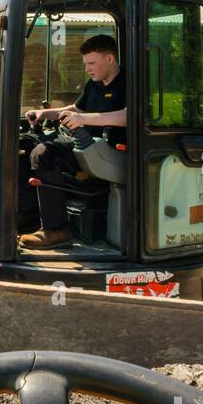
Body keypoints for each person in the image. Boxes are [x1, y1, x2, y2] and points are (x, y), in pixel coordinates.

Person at [18, 33, 126, 249]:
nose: (87, 69)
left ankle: (57, 230)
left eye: (91, 63)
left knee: (44, 153)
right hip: (84, 146)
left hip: (110, 152)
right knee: (22, 145)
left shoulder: (129, 82)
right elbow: (77, 109)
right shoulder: (95, 84)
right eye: (85, 64)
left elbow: (128, 116)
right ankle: (27, 221)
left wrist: (82, 120)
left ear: (110, 59)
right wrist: (45, 113)